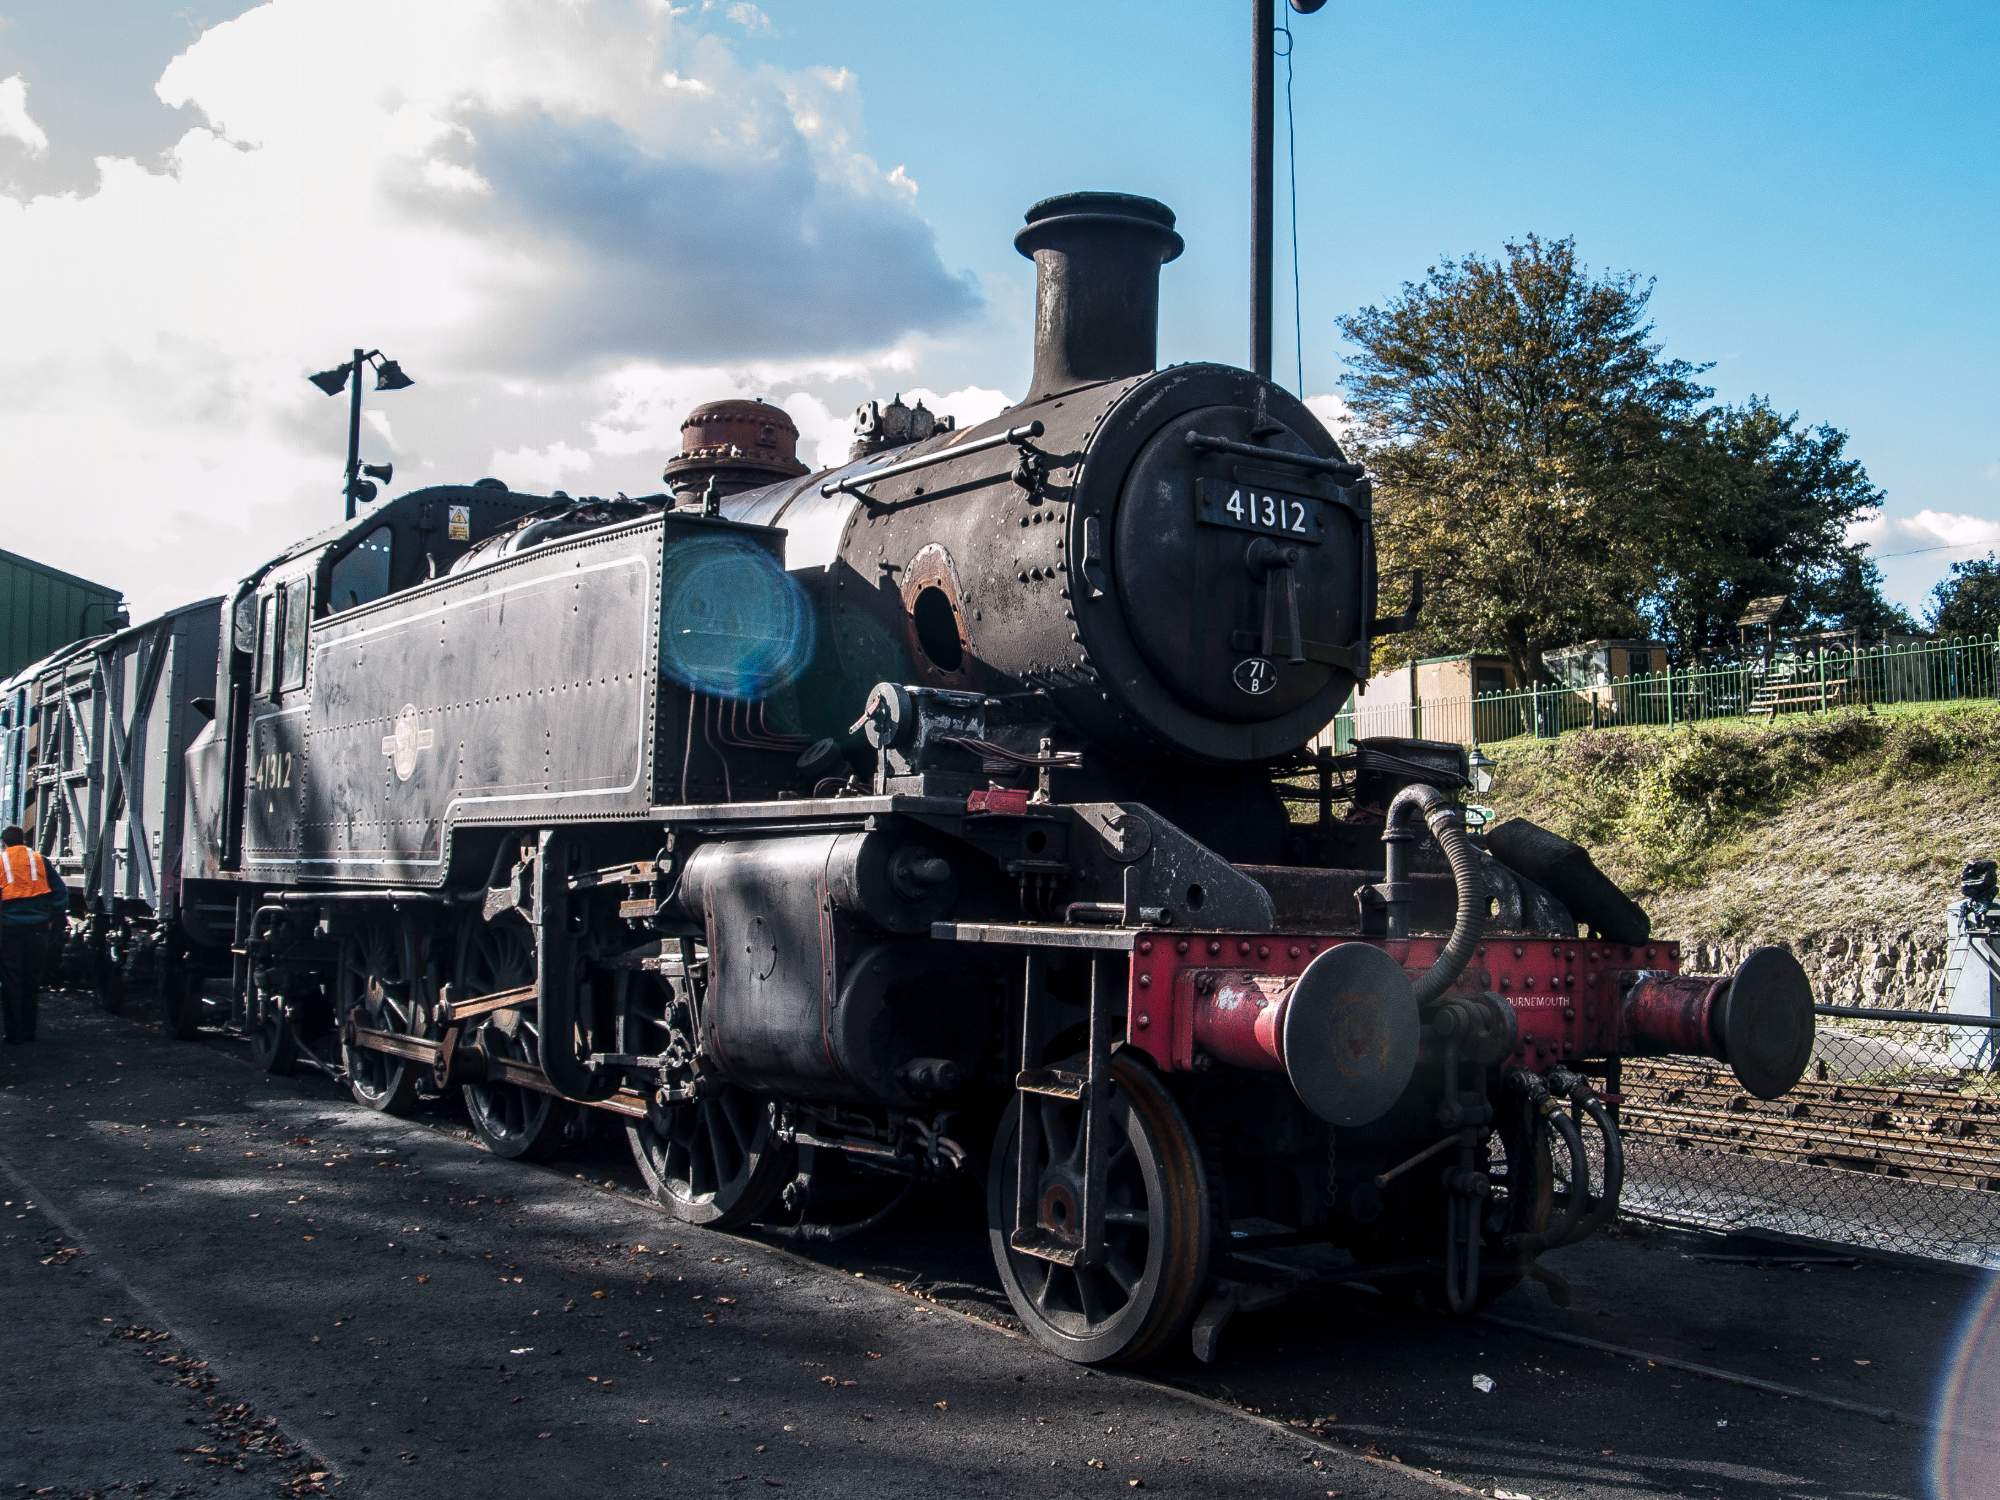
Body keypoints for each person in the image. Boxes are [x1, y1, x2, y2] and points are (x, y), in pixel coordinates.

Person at [1, 826, 66, 1045]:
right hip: (38, 929)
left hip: (9, 930)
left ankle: (13, 1033)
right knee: (31, 979)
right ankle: (29, 1032)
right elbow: (60, 893)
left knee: (11, 980)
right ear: (24, 841)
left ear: (5, 843)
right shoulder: (40, 860)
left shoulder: (2, 861)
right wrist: (54, 916)